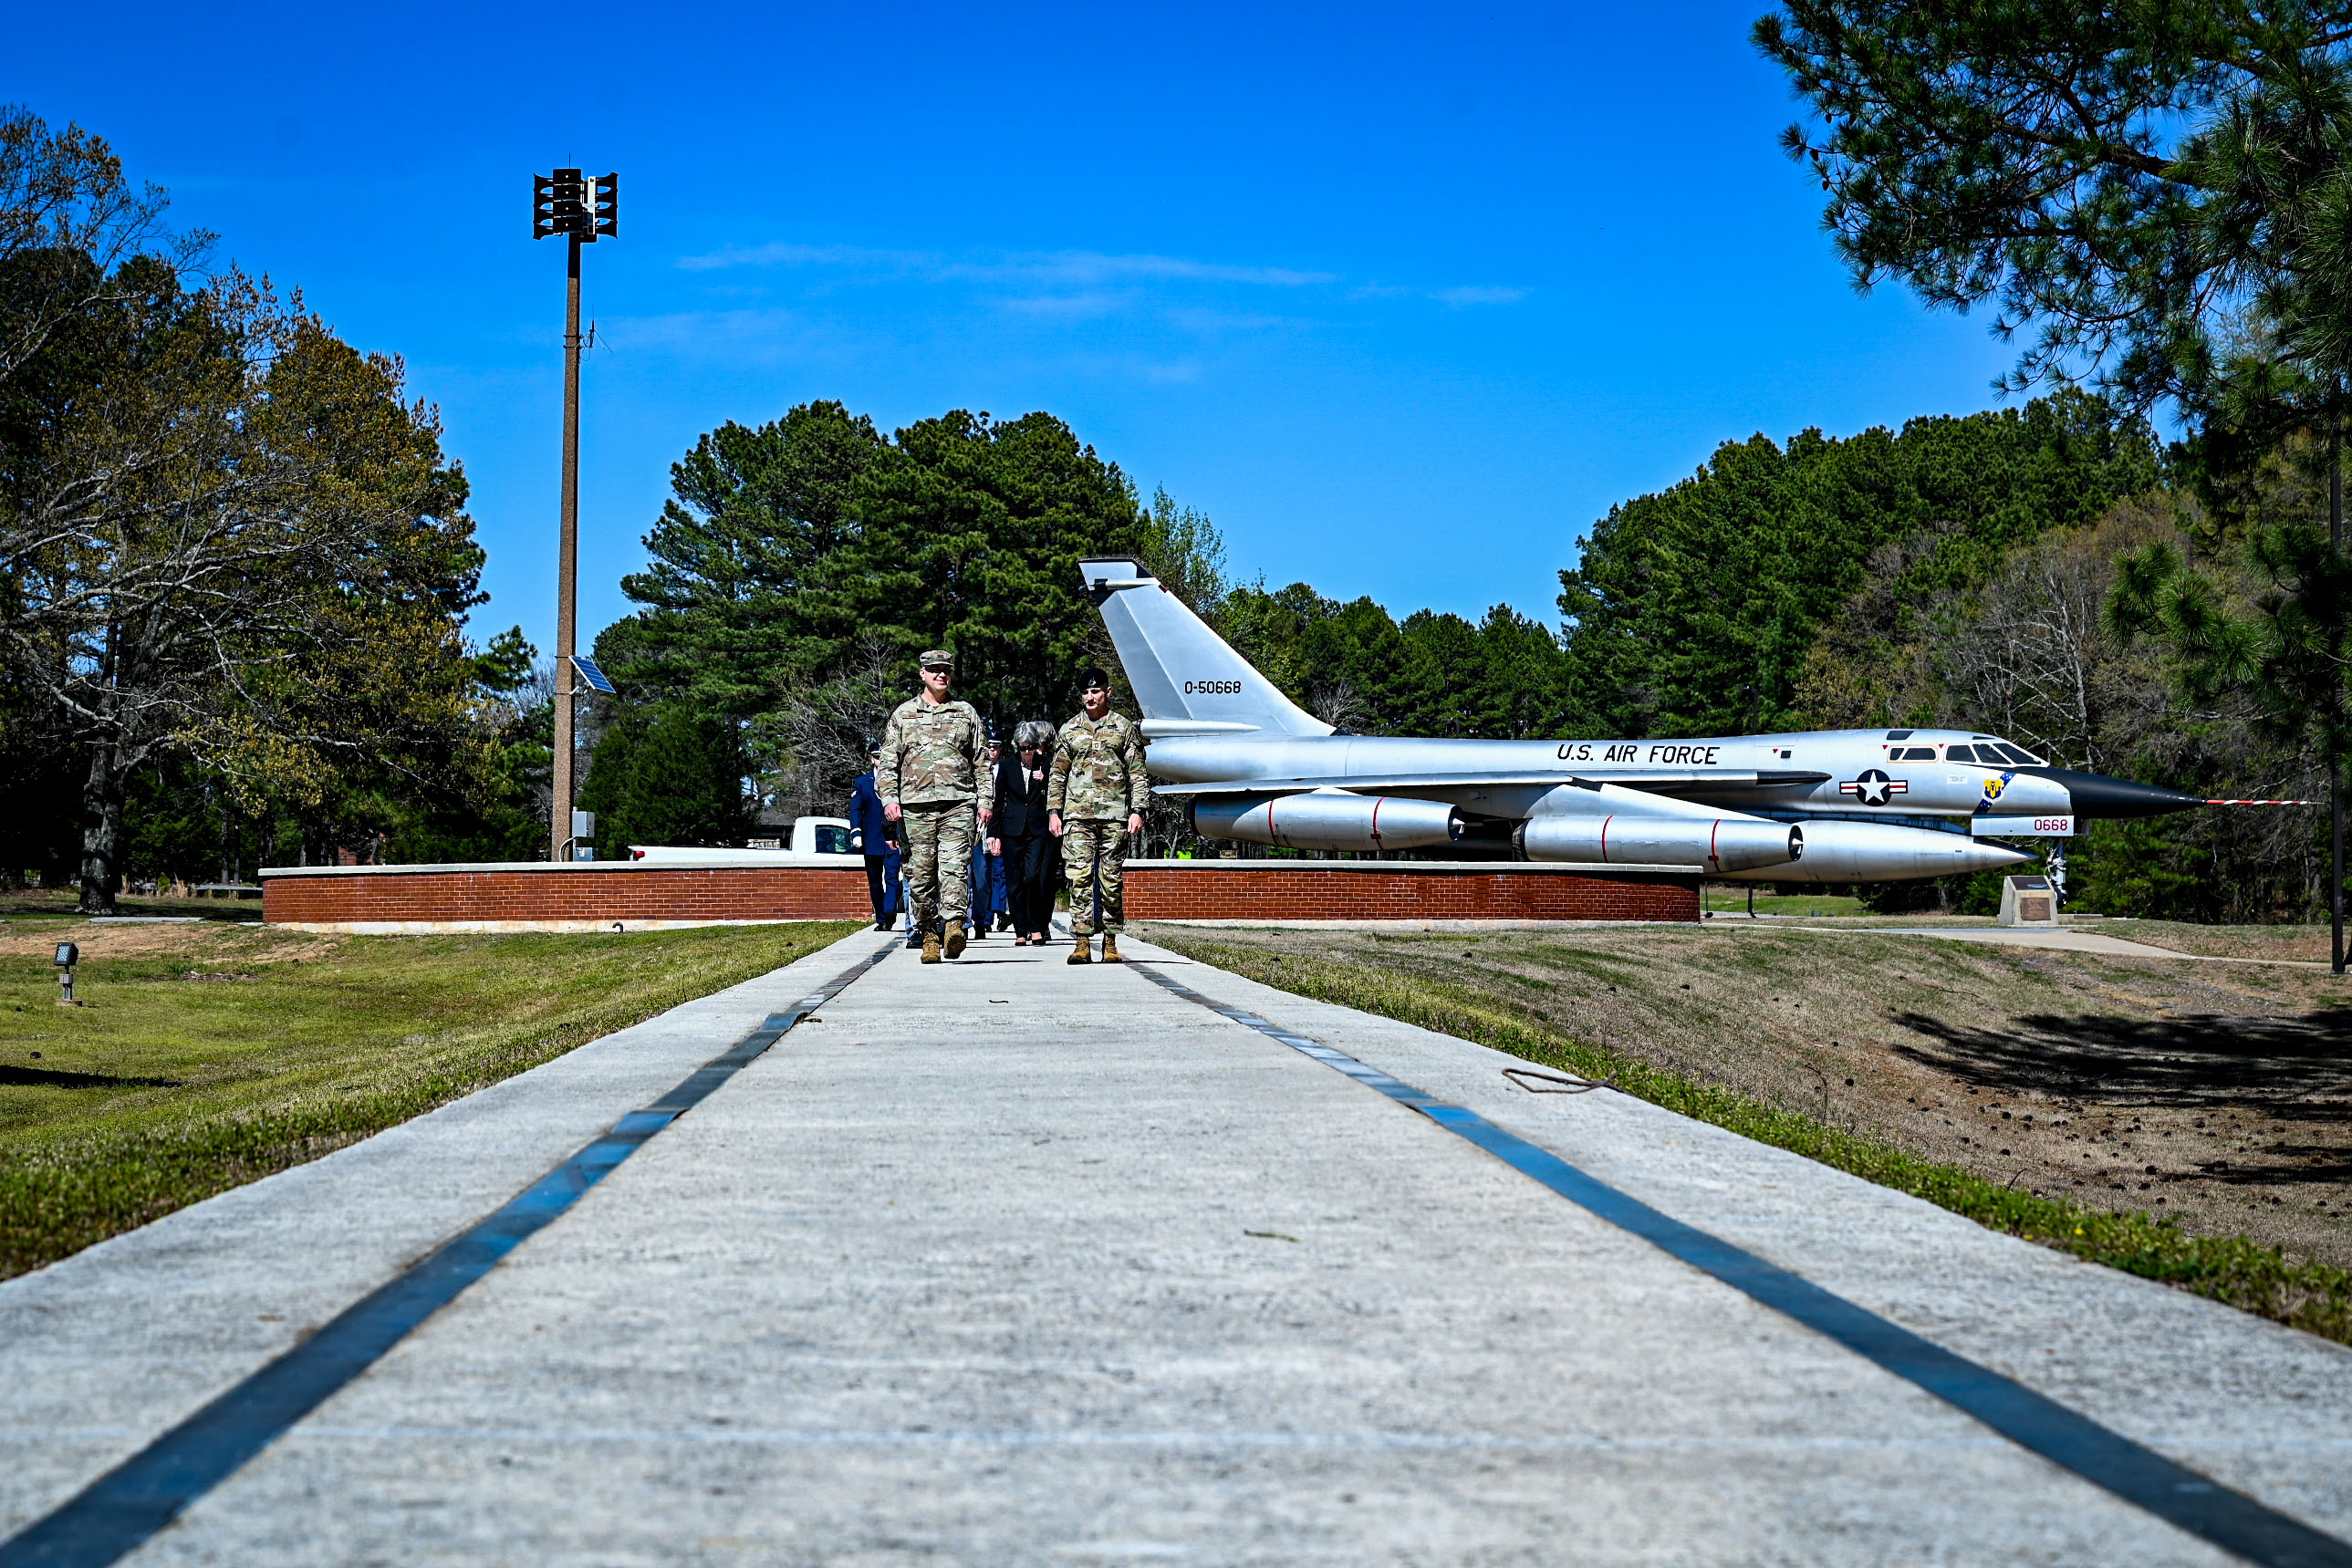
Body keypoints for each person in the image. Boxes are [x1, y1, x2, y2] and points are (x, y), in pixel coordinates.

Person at [877, 649, 993, 963]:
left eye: (946, 670)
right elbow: (888, 761)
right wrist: (889, 799)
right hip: (915, 809)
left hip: (959, 805)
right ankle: (928, 933)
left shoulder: (966, 713)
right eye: (934, 670)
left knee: (955, 868)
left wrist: (985, 802)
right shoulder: (903, 715)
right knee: (920, 875)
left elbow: (981, 761)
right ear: (923, 674)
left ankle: (954, 925)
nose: (941, 675)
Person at [1048, 667, 1148, 965]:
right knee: (1078, 878)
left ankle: (1110, 941)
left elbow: (1138, 773)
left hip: (1115, 816)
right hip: (1077, 817)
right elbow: (1057, 774)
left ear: (1107, 693)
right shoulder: (1069, 730)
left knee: (1110, 880)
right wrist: (1054, 811)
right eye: (1086, 693)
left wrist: (1138, 810)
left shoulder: (1124, 728)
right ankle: (1081, 941)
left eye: (1096, 691)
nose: (1090, 697)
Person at [990, 720, 1057, 945]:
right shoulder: (1008, 766)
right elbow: (999, 802)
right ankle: (1020, 930)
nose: (1027, 752)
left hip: (1038, 829)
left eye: (1030, 747)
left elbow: (1058, 791)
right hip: (1012, 830)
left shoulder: (1046, 764)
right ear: (1016, 746)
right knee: (1014, 881)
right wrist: (994, 834)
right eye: (1022, 748)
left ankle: (1036, 926)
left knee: (1033, 878)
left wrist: (1045, 778)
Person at [848, 742, 902, 933]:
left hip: (893, 838)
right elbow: (856, 809)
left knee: (893, 878)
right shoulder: (862, 782)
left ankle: (889, 914)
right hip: (871, 838)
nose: (881, 761)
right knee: (875, 881)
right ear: (873, 759)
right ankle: (881, 917)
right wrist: (856, 831)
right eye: (878, 757)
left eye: (884, 757)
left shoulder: (898, 781)